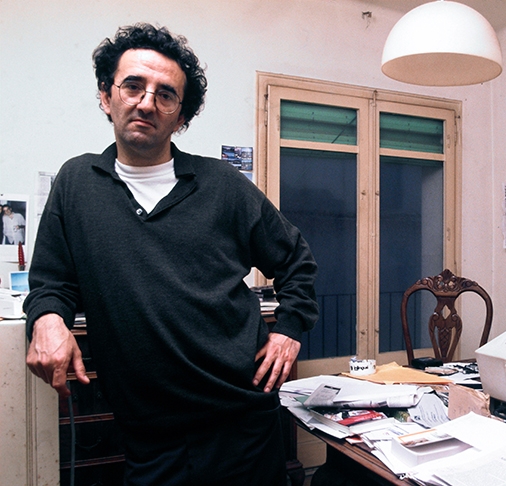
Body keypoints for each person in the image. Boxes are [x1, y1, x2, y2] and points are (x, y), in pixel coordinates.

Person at [24, 23, 318, 485]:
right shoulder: (76, 183)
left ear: (180, 117)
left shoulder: (223, 185)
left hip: (242, 419)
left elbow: (297, 261)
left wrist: (290, 330)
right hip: (146, 434)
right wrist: (45, 318)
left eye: (165, 95)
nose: (146, 103)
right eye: (133, 86)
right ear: (106, 96)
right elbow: (51, 282)